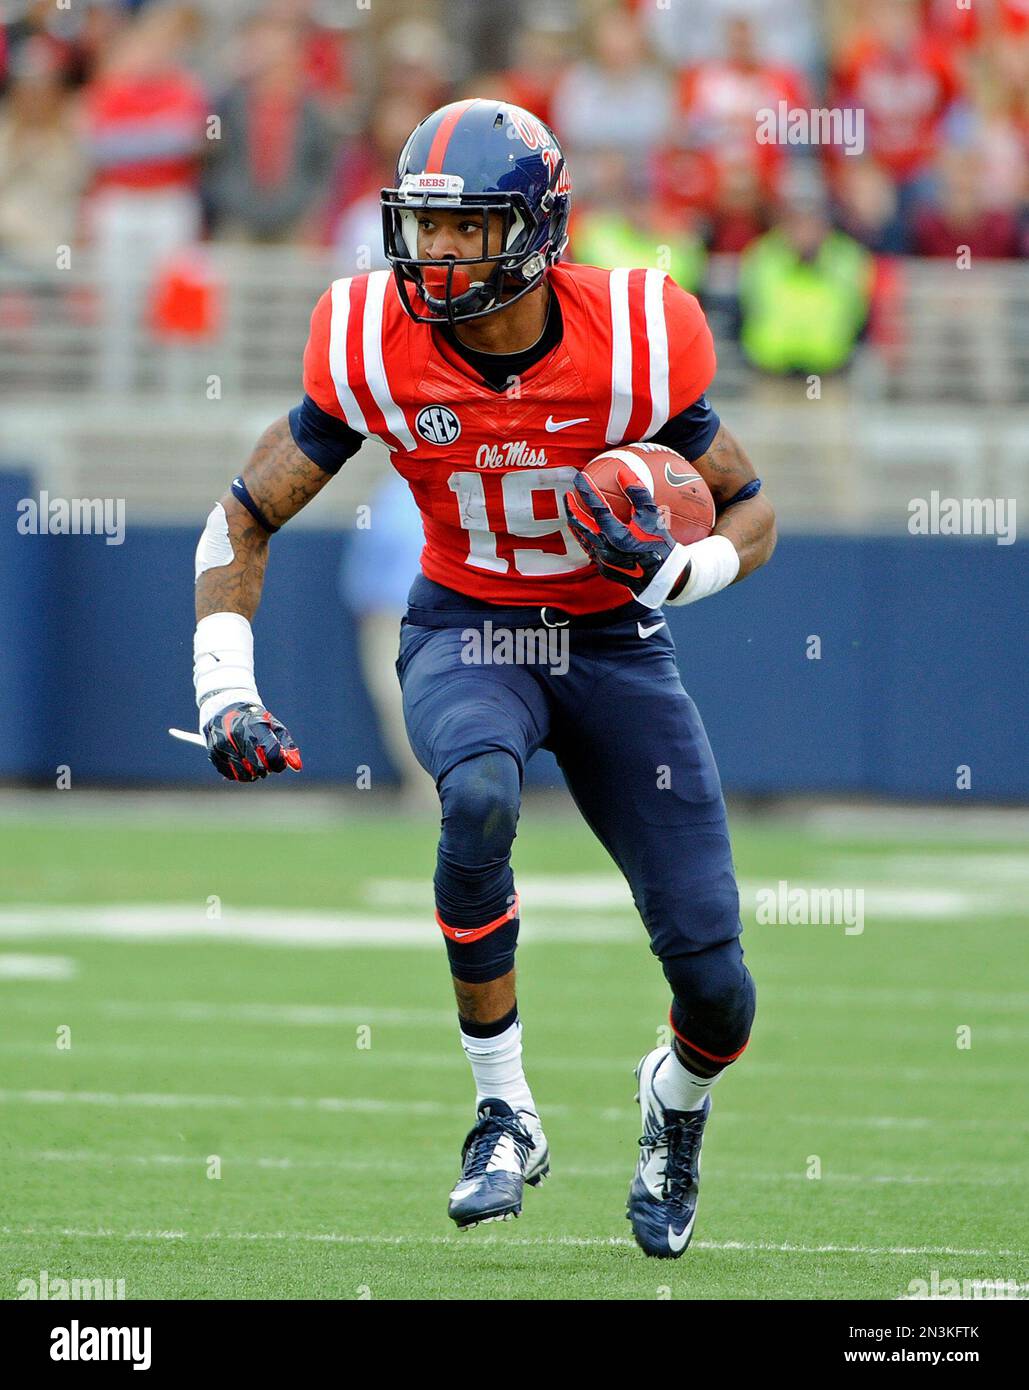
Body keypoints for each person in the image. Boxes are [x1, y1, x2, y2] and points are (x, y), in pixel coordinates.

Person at [189, 99, 776, 1259]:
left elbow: (752, 508)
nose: (442, 255)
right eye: (428, 228)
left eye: (471, 230)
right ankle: (503, 1110)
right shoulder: (371, 338)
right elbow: (240, 519)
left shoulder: (640, 334)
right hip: (468, 625)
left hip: (611, 642)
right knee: (476, 797)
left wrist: (679, 569)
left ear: (541, 228)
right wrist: (222, 685)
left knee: (719, 988)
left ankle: (672, 1106)